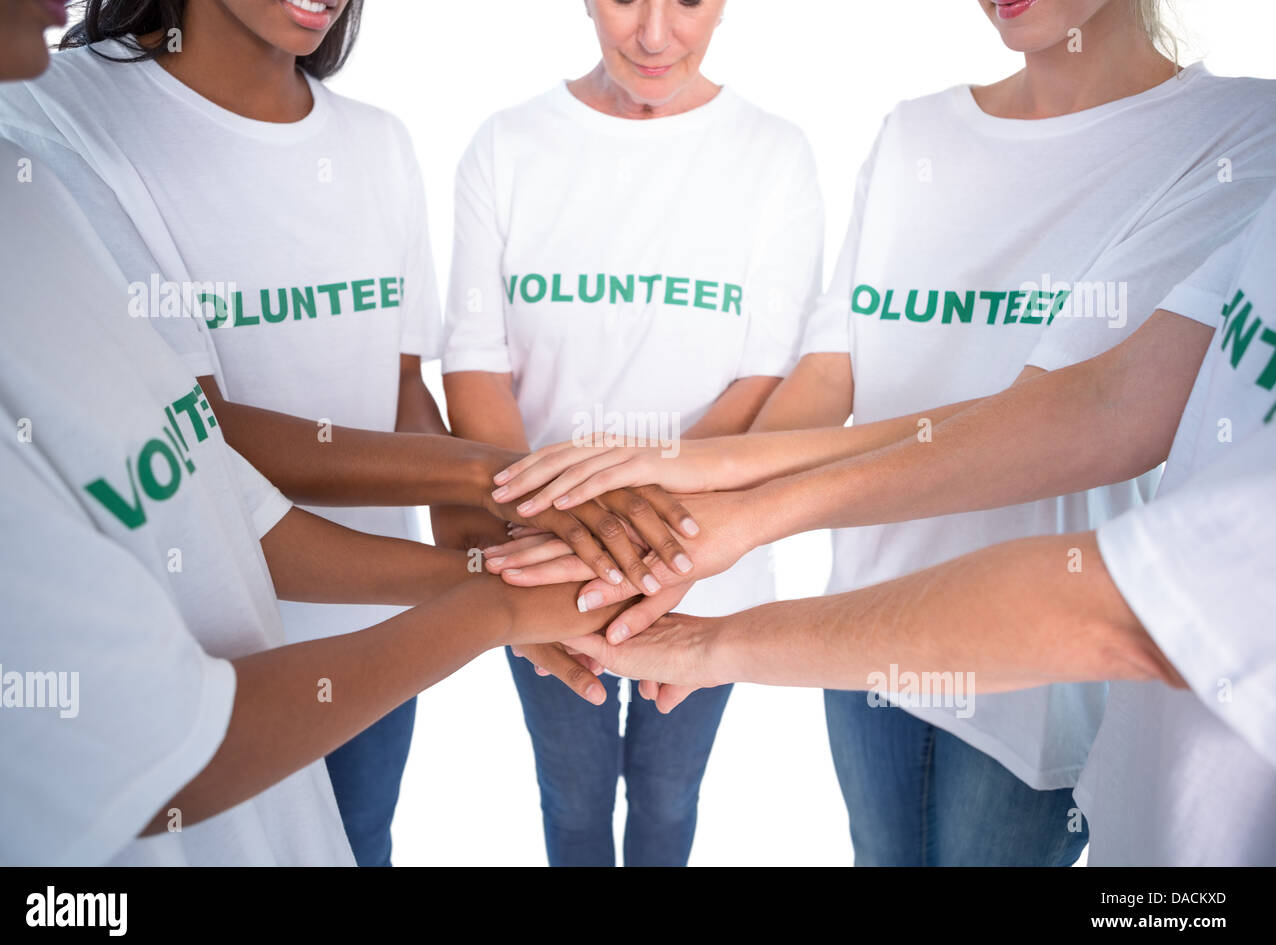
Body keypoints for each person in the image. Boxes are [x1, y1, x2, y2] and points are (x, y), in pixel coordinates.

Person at [487, 0, 1276, 865]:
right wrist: (669, 515)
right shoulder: (915, 134)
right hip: (850, 630)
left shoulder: (1238, 134)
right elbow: (829, 376)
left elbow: (1070, 417)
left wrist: (736, 511)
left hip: (1024, 670)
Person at [0, 0, 694, 864]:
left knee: (356, 842)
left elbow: (383, 400)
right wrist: (502, 522)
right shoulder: (37, 121)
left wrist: (486, 563)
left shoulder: (377, 144)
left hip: (383, 629)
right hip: (229, 653)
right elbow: (209, 441)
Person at [440, 0, 824, 866]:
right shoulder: (506, 148)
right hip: (541, 563)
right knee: (571, 805)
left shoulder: (774, 156)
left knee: (667, 800)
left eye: (687, 1)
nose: (654, 35)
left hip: (704, 567)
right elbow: (473, 365)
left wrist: (635, 543)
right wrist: (561, 539)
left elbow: (767, 377)